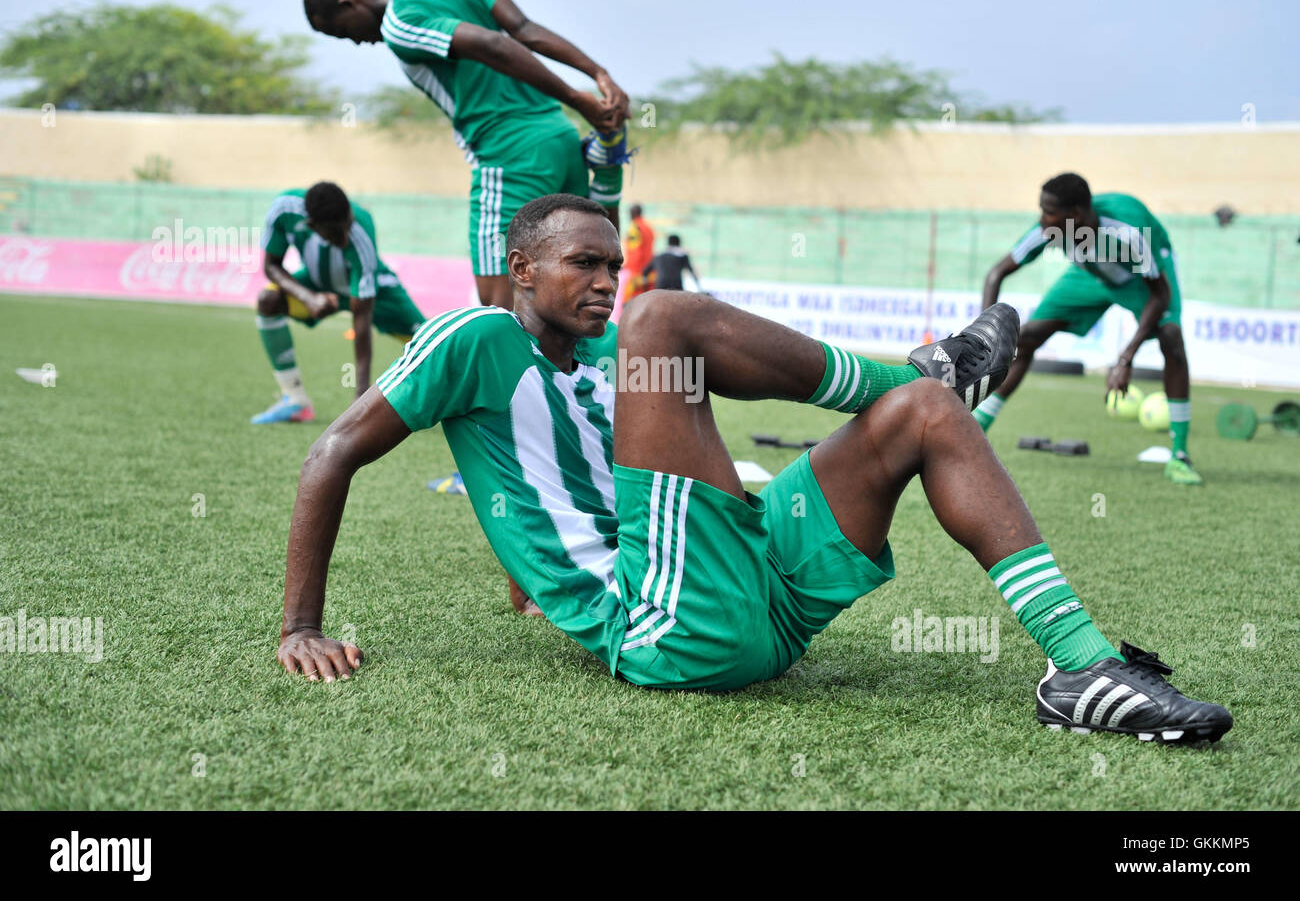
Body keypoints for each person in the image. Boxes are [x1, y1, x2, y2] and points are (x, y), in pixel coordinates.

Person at [275, 194, 1232, 745]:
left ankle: (1082, 668)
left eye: (612, 261)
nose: (606, 280)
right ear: (521, 268)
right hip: (671, 626)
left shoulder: (605, 365)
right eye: (582, 264)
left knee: (927, 418)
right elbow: (333, 452)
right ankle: (914, 365)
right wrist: (303, 625)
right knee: (665, 317)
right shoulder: (473, 337)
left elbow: (566, 480)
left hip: (749, 588)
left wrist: (530, 569)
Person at [302, 0, 630, 309]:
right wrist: (598, 74)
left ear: (349, 4)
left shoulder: (398, 23)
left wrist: (579, 100)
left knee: (500, 311)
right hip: (559, 137)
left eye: (343, 32)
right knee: (579, 285)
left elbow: (493, 44)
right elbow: (524, 29)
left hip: (508, 156)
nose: (356, 42)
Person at [976, 173, 1202, 485]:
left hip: (1141, 280)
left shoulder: (1129, 232)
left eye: (1048, 212)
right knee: (1026, 338)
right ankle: (976, 428)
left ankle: (1179, 456)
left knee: (1171, 339)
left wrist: (1125, 358)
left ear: (1076, 215)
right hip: (1090, 275)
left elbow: (1159, 295)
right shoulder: (1047, 230)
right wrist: (984, 335)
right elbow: (996, 274)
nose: (1041, 219)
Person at [252, 182, 425, 424]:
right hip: (317, 286)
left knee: (431, 343)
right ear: (313, 226)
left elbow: (361, 319)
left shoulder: (361, 231)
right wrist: (308, 297)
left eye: (348, 226)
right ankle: (294, 400)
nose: (345, 238)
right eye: (336, 233)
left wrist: (360, 397)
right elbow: (271, 266)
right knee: (267, 300)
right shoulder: (284, 209)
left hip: (377, 292)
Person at [619, 204, 655, 303]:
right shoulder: (648, 227)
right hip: (650, 271)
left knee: (630, 305)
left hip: (636, 271)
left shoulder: (635, 228)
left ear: (631, 214)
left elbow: (635, 251)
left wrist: (628, 267)